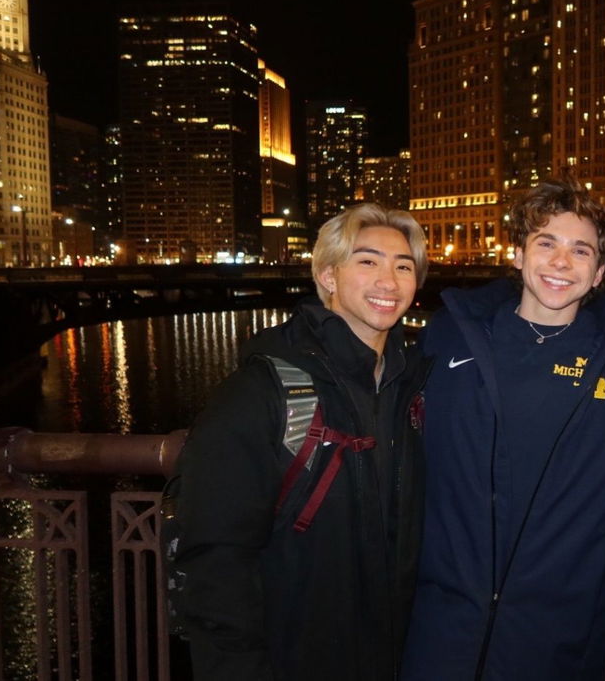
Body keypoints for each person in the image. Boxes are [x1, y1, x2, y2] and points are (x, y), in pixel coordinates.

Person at [402, 180, 605, 680]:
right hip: (440, 626)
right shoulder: (449, 334)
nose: (562, 262)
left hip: (558, 637)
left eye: (580, 250)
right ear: (518, 255)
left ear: (600, 272)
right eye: (546, 243)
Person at [168, 203, 430, 680]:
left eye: (403, 266)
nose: (389, 281)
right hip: (292, 658)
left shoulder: (409, 389)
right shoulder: (262, 392)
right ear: (328, 276)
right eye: (367, 261)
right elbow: (214, 557)